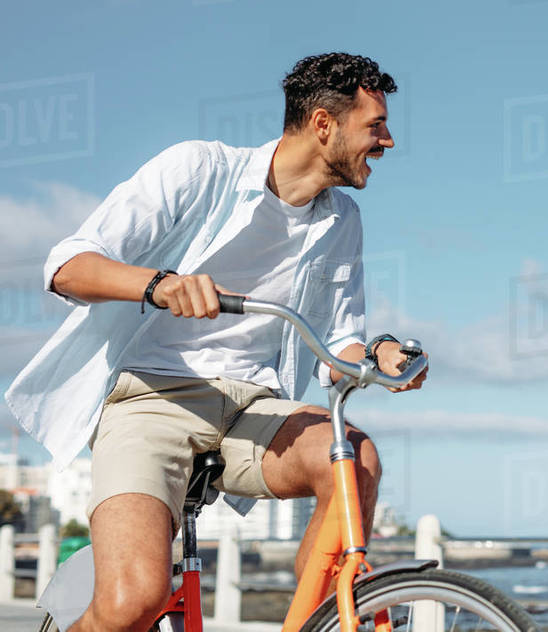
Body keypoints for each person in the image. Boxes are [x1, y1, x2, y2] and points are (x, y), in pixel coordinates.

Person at [5, 52, 427, 632]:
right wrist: (160, 286)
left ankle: (317, 621)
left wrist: (376, 354)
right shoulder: (198, 169)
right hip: (151, 399)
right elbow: (66, 268)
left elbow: (339, 347)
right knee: (133, 601)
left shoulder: (342, 221)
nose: (388, 141)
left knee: (354, 457)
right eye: (375, 126)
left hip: (254, 407)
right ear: (324, 124)